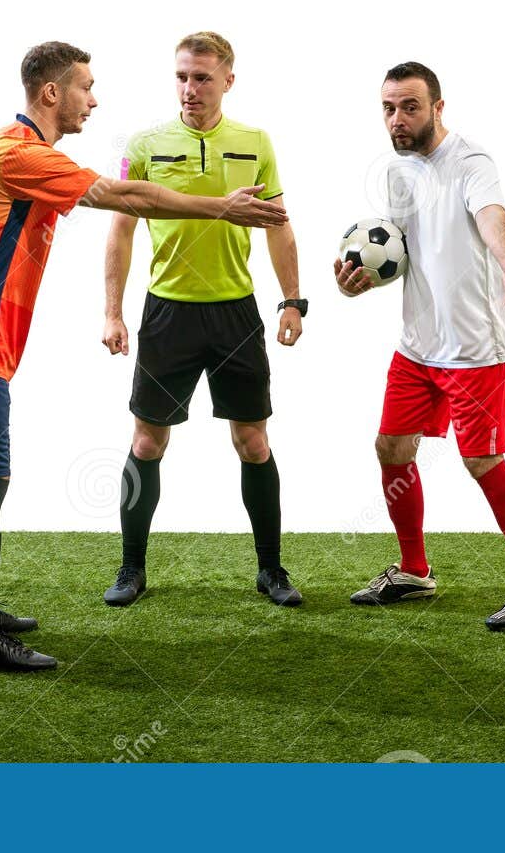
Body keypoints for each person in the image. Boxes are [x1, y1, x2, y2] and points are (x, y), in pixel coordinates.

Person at [0, 41, 287, 672]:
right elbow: (130, 199)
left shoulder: (20, 149)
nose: (95, 98)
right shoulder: (21, 154)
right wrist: (220, 208)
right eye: (86, 86)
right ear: (52, 93)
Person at [336, 61, 505, 631]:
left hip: (471, 348)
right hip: (417, 345)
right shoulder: (396, 171)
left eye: (410, 106)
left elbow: (492, 215)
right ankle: (414, 570)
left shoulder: (471, 161)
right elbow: (399, 248)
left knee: (482, 460)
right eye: (388, 108)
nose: (398, 119)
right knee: (391, 449)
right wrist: (357, 278)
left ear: (438, 107)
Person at [98, 31, 305, 608]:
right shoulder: (144, 144)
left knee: (254, 442)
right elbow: (119, 228)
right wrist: (113, 312)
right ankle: (131, 569)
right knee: (147, 442)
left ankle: (271, 570)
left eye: (203, 77)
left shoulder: (255, 141)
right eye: (182, 77)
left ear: (228, 80)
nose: (190, 89)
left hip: (236, 313)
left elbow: (278, 222)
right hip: (168, 313)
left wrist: (292, 299)